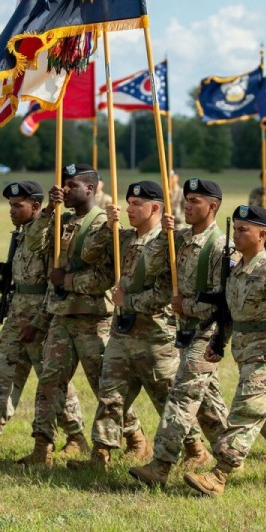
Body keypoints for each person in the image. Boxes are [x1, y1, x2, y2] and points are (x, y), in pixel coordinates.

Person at [182, 204, 266, 497]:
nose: (237, 235)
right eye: (236, 229)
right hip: (244, 352)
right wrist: (219, 343)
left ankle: (218, 475)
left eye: (244, 230)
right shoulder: (236, 271)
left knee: (246, 410)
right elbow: (229, 314)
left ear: (262, 234)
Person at [0, 180, 87, 459]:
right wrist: (2, 308)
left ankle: (76, 436)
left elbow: (52, 284)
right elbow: (18, 279)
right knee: (4, 377)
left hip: (40, 320)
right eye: (10, 205)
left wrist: (39, 321)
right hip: (16, 316)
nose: (11, 210)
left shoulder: (51, 232)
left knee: (53, 380)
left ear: (36, 206)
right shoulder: (22, 233)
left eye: (18, 205)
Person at [15, 164, 141, 468]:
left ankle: (135, 437)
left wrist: (67, 281)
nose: (66, 190)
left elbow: (107, 277)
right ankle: (42, 447)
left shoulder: (103, 224)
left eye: (71, 185)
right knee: (49, 382)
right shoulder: (61, 221)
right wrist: (49, 209)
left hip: (92, 319)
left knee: (104, 386)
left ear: (90, 189)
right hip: (61, 318)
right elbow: (33, 243)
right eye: (63, 185)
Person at [68, 180, 193, 471]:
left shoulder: (168, 241)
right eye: (129, 203)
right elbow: (89, 254)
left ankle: (195, 448)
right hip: (122, 331)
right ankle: (100, 455)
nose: (131, 208)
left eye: (138, 204)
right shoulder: (124, 238)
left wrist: (130, 300)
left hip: (154, 334)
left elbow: (166, 292)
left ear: (156, 208)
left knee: (166, 397)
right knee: (109, 393)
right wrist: (107, 226)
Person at [130, 177, 230, 487]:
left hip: (207, 334)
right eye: (186, 199)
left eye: (195, 201)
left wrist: (184, 304)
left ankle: (159, 466)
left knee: (182, 397)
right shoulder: (181, 238)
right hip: (184, 334)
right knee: (211, 410)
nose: (187, 204)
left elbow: (223, 305)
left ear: (212, 207)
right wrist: (165, 236)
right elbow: (150, 264)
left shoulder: (220, 247)